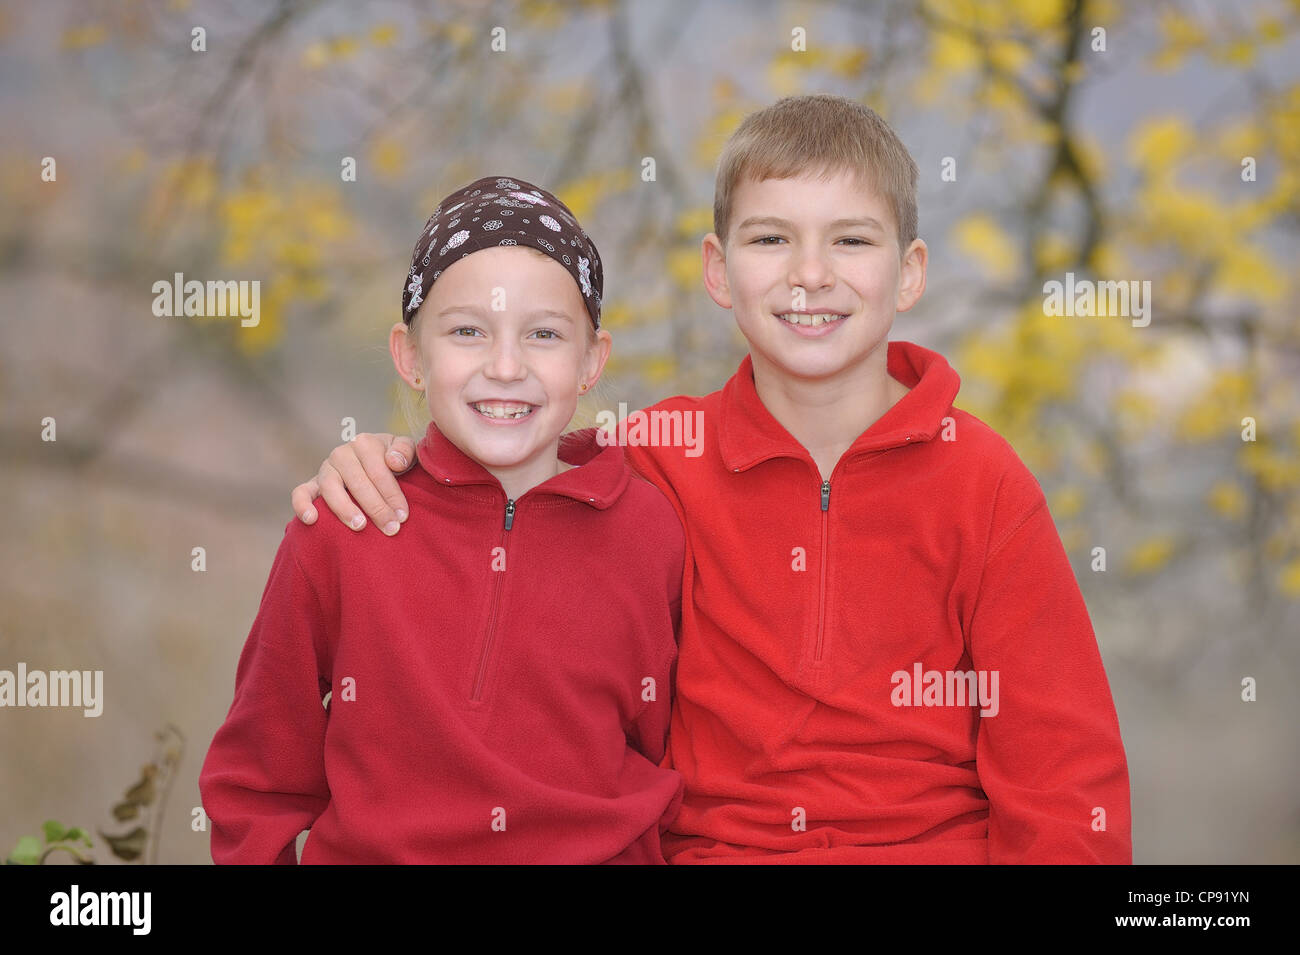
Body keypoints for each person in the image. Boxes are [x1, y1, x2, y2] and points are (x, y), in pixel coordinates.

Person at [290, 96, 1133, 864]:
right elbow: (504, 454)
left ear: (909, 271)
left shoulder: (983, 481)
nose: (810, 274)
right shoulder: (657, 458)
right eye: (771, 239)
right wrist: (381, 454)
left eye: (851, 238)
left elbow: (1064, 775)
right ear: (719, 271)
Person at [199, 176, 686, 864]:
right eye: (467, 332)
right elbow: (256, 780)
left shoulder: (651, 531)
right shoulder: (345, 523)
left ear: (591, 361)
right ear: (410, 356)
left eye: (543, 334)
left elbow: (673, 755)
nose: (506, 366)